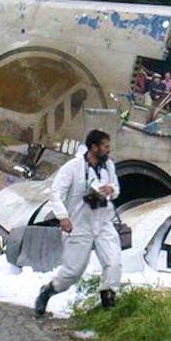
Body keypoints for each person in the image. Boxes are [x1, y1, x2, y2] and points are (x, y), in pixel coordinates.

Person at [34, 129, 122, 316]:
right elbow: (55, 193)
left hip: (103, 221)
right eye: (105, 146)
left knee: (113, 262)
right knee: (73, 272)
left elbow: (116, 189)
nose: (109, 150)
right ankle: (48, 291)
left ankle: (108, 302)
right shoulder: (73, 167)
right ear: (94, 147)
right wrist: (63, 217)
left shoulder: (109, 166)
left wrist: (111, 190)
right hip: (79, 224)